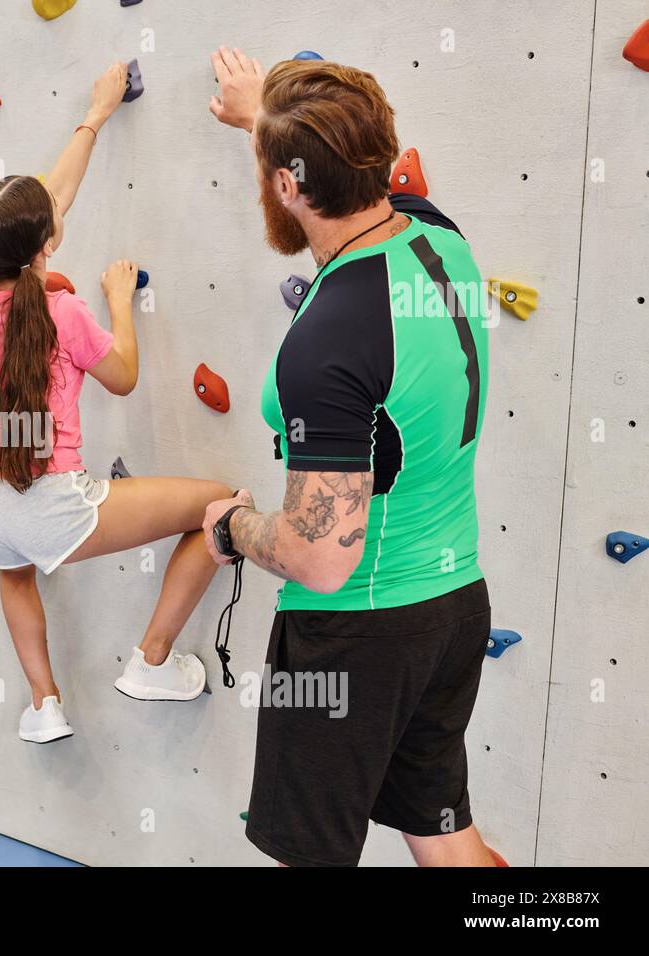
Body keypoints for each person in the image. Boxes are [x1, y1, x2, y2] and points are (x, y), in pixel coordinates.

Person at [204, 49, 496, 866]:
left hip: (358, 632)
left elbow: (319, 558)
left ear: (288, 185)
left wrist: (231, 527)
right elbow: (340, 200)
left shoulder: (328, 339)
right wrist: (265, 121)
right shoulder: (438, 239)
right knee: (445, 840)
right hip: (451, 603)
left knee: (311, 855)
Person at [0, 62, 235, 745]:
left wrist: (95, 116)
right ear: (48, 247)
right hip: (53, 506)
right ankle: (154, 659)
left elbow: (48, 199)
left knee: (14, 581)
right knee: (221, 501)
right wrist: (121, 304)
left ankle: (45, 704)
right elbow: (122, 377)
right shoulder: (63, 311)